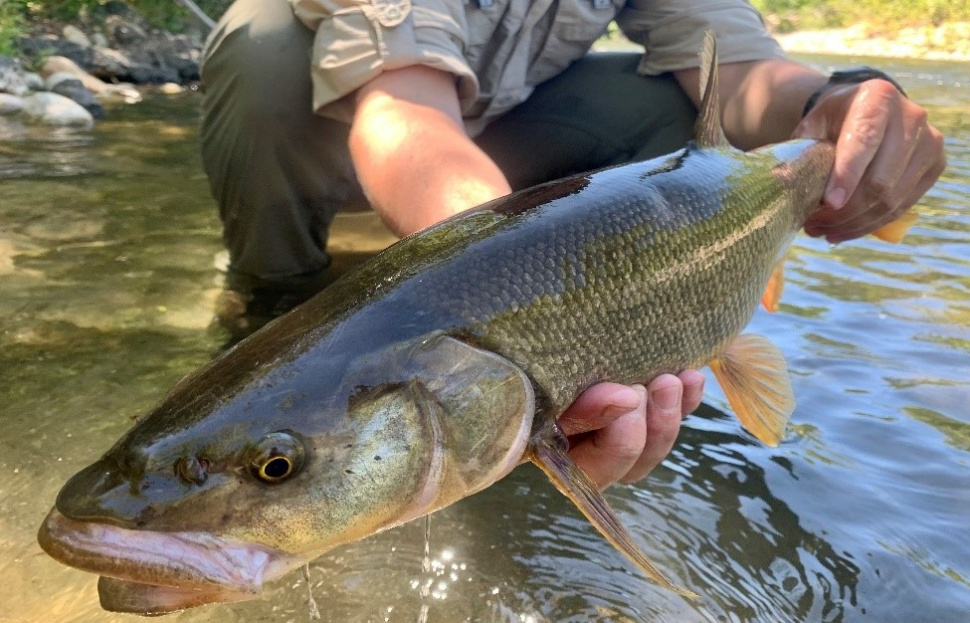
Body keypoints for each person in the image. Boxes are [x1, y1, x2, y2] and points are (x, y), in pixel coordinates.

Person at [198, 0, 945, 491]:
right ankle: (268, 299)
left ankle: (680, 297)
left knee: (662, 104)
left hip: (508, 131)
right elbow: (404, 112)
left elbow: (745, 75)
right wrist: (509, 302)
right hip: (354, 113)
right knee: (261, 49)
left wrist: (840, 108)